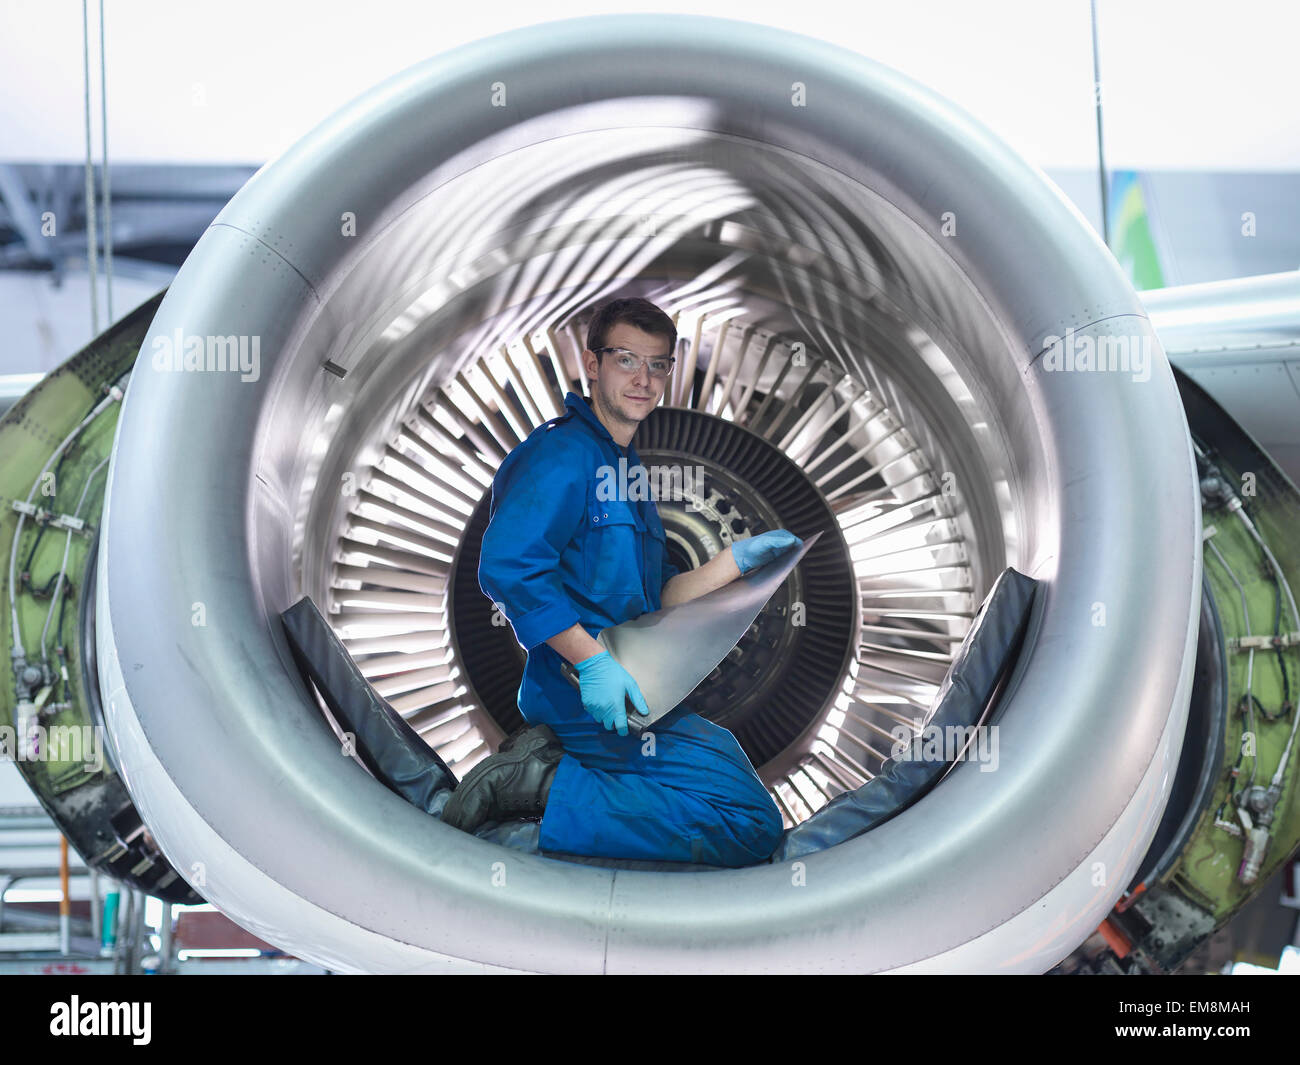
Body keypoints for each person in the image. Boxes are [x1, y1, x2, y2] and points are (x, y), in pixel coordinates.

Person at [441, 296, 800, 866]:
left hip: (631, 686)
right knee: (750, 822)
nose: (644, 379)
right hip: (583, 696)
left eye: (658, 365)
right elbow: (509, 566)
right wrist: (591, 662)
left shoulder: (623, 467)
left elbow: (654, 595)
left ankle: (556, 775)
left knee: (728, 767)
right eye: (626, 360)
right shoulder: (563, 457)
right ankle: (542, 787)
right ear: (592, 364)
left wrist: (732, 564)